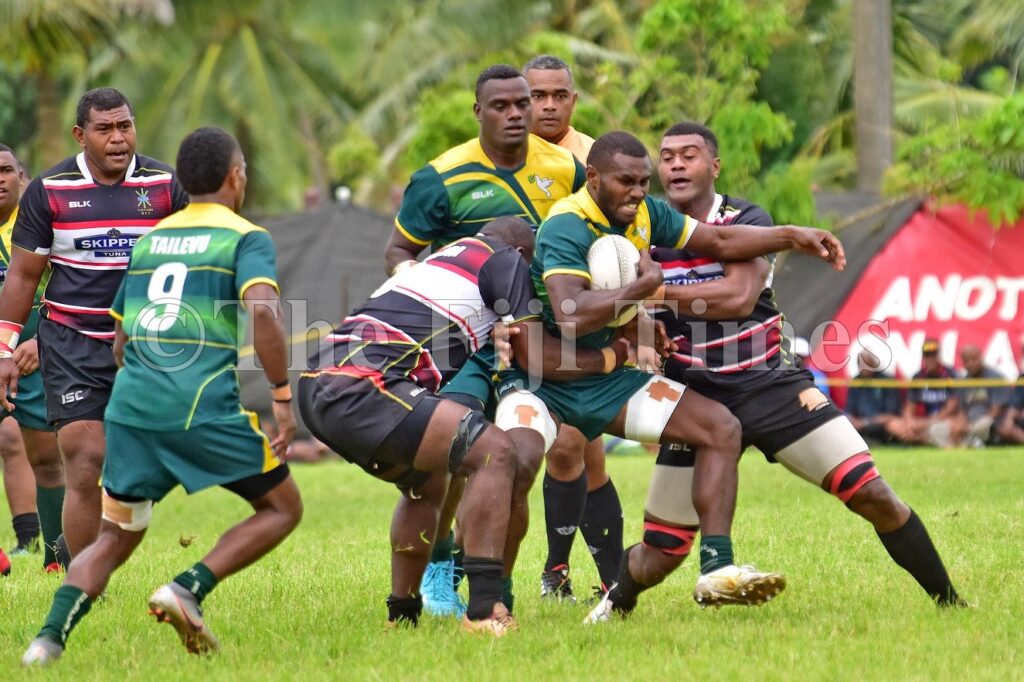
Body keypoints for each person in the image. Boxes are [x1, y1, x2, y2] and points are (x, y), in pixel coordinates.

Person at [584, 122, 964, 625]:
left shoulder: (746, 219)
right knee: (661, 551)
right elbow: (616, 304)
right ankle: (617, 603)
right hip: (694, 401)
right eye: (667, 156)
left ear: (714, 166)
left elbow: (738, 298)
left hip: (767, 386)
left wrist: (651, 293)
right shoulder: (641, 229)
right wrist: (638, 322)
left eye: (689, 155)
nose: (675, 164)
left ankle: (951, 604)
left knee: (871, 492)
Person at [497, 129, 845, 613]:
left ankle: (717, 568)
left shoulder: (645, 214)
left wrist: (792, 235)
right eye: (626, 182)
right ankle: (493, 601)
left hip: (606, 377)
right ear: (593, 177)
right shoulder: (566, 225)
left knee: (720, 427)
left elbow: (719, 239)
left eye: (644, 181)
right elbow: (572, 313)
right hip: (545, 379)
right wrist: (643, 292)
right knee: (514, 466)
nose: (638, 192)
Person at [21, 126, 302, 666]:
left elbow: (121, 339)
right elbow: (265, 314)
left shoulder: (152, 240)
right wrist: (282, 395)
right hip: (199, 405)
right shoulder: (245, 236)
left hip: (130, 409)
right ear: (235, 177)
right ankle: (187, 588)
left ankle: (46, 642)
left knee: (115, 536)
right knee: (281, 507)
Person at [299, 216, 630, 635]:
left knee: (426, 484)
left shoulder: (442, 260)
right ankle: (484, 609)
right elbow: (538, 356)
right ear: (521, 253)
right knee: (496, 452)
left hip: (317, 383)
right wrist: (612, 355)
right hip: (363, 386)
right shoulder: (505, 259)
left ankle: (401, 615)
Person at [386, 64, 586, 617]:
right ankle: (438, 572)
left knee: (521, 462)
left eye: (523, 103)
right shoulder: (441, 177)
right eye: (502, 106)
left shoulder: (568, 169)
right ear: (478, 111)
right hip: (463, 344)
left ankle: (496, 584)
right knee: (447, 463)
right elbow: (399, 250)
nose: (517, 114)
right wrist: (421, 299)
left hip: (535, 341)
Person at [0, 89, 189, 564]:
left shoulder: (166, 186)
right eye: (104, 129)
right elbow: (22, 277)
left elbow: (197, 257)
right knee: (84, 459)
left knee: (141, 467)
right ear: (80, 135)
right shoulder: (49, 190)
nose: (118, 138)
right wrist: (4, 348)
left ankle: (74, 544)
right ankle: (83, 582)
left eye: (125, 126)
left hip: (146, 344)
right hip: (72, 342)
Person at [522, 53, 626, 599]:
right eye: (536, 95)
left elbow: (628, 243)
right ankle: (459, 575)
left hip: (579, 322)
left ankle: (585, 576)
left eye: (558, 95)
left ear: (573, 99)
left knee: (578, 448)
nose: (547, 105)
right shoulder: (504, 155)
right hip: (510, 322)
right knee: (488, 458)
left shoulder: (594, 157)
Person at [0, 144, 64, 569]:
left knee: (46, 458)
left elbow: (72, 289)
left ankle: (56, 557)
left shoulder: (40, 226)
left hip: (36, 356)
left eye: (5, 170)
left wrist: (44, 340)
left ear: (21, 177)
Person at [904, 339, 966, 448]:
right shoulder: (918, 377)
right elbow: (910, 406)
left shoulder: (951, 375)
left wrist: (927, 423)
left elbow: (952, 407)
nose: (930, 359)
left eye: (933, 355)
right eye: (927, 356)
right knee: (900, 427)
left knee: (938, 428)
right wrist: (910, 422)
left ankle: (925, 440)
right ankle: (925, 439)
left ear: (938, 355)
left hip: (946, 419)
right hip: (925, 420)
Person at [958, 344, 1013, 448]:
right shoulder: (964, 381)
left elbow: (996, 411)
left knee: (984, 425)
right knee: (938, 428)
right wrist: (962, 423)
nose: (970, 364)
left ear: (981, 358)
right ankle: (971, 441)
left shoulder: (996, 378)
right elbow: (962, 410)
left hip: (990, 422)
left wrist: (971, 426)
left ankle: (966, 441)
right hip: (968, 423)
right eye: (966, 361)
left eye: (973, 359)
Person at [846, 349, 904, 444]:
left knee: (892, 425)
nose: (864, 368)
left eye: (867, 364)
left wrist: (865, 422)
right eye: (861, 365)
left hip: (881, 425)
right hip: (859, 425)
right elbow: (849, 410)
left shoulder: (887, 381)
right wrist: (854, 420)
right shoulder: (855, 383)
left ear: (874, 364)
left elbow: (891, 414)